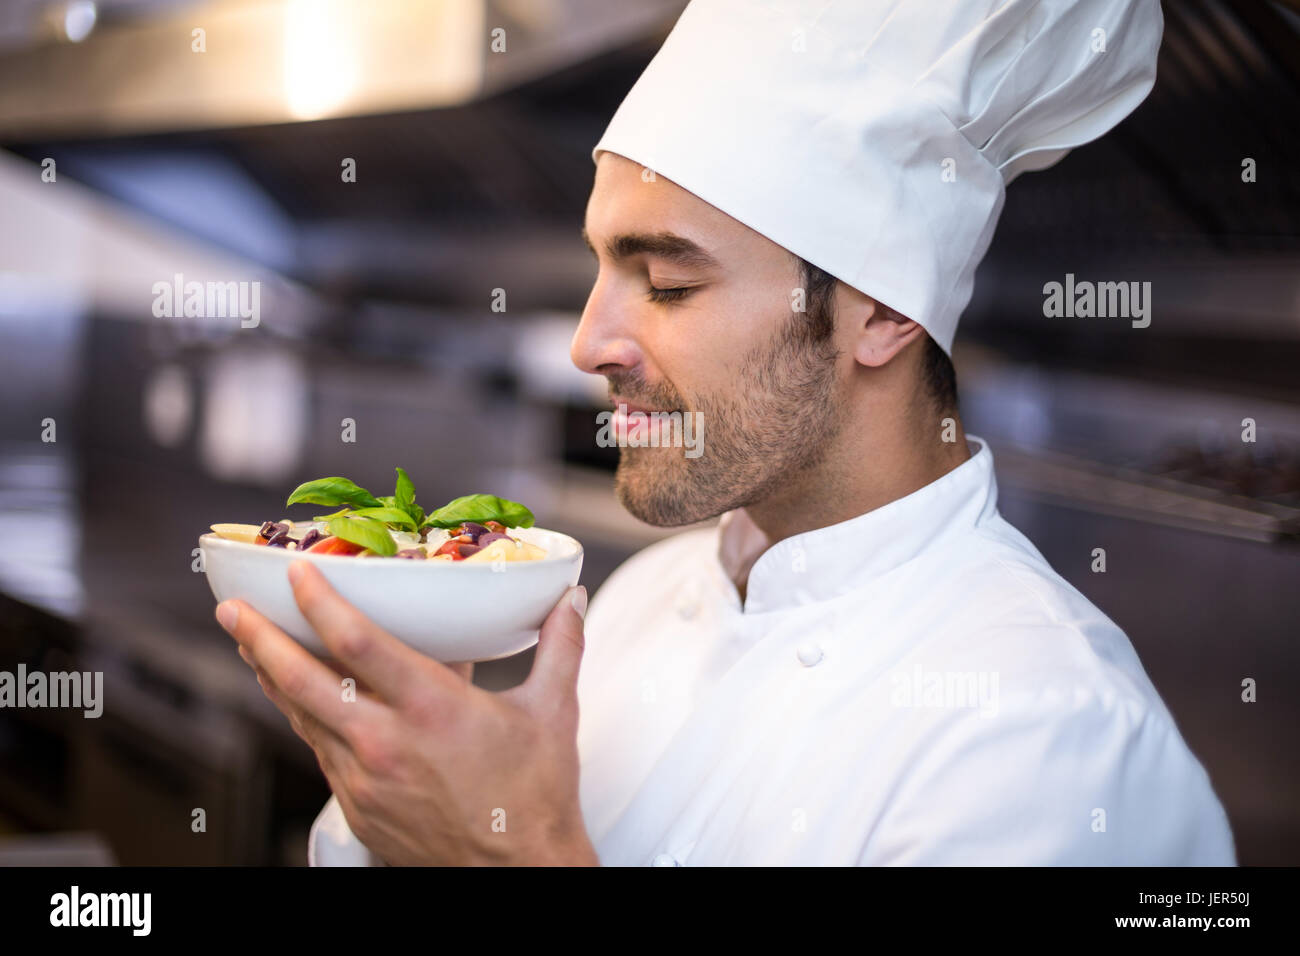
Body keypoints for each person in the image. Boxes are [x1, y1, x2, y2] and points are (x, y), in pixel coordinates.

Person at [221, 0, 1236, 865]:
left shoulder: (1048, 741)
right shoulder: (641, 597)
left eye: (667, 282)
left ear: (878, 310)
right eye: (600, 270)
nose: (587, 342)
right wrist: (396, 787)